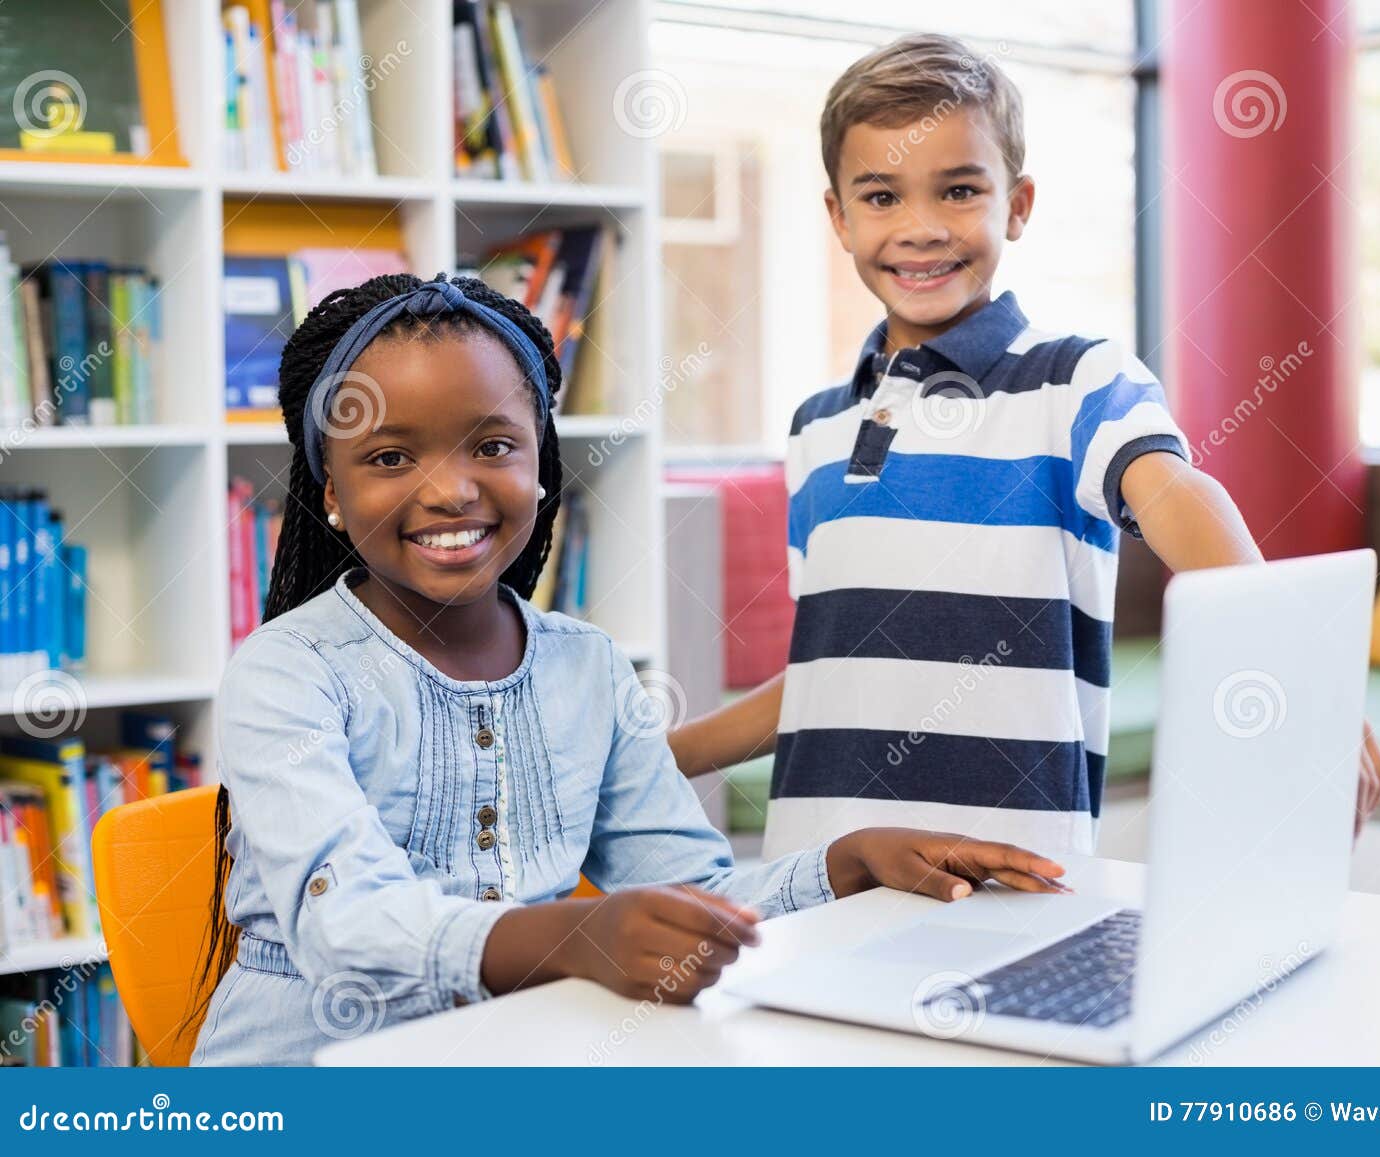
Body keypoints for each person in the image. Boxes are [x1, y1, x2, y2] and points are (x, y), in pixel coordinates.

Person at [187, 273, 1067, 1066]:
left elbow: (688, 889)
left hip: (510, 1061)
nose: (451, 490)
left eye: (492, 446)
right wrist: (574, 936)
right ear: (331, 492)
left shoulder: (588, 667)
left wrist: (845, 864)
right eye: (389, 457)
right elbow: (346, 923)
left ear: (542, 467)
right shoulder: (287, 674)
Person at [668, 34, 1380, 860]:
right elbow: (827, 669)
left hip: (1014, 882)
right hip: (817, 879)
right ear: (837, 215)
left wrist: (1297, 664)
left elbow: (1179, 495)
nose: (923, 227)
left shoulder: (1078, 380)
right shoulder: (816, 429)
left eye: (960, 190)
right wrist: (664, 757)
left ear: (1018, 204)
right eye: (881, 197)